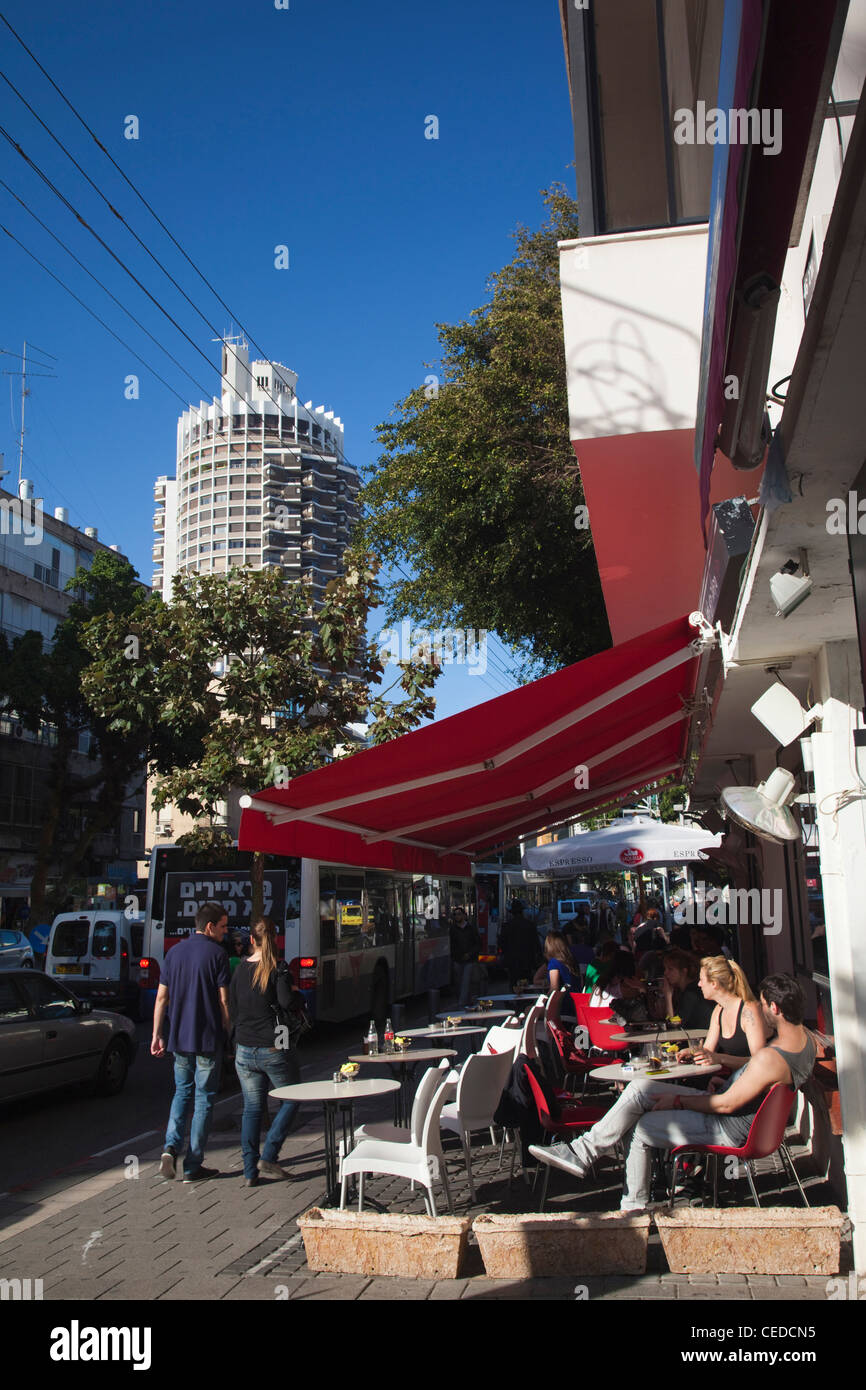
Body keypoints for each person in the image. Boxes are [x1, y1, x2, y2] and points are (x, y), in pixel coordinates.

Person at [529, 973, 817, 1210]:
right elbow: (750, 1087)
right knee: (640, 1087)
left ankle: (633, 1208)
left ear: (775, 1009)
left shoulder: (771, 1058)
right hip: (742, 1117)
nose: (759, 1012)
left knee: (641, 1127)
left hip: (728, 1127)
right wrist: (727, 1081)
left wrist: (679, 1100)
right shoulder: (806, 1044)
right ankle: (583, 1151)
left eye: (763, 1006)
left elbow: (727, 1105)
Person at [152, 900, 231, 1182]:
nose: (225, 932)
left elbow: (162, 997)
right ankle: (193, 1164)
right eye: (222, 926)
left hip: (179, 1038)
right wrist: (228, 1027)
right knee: (204, 1099)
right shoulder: (218, 955)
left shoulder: (173, 953)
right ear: (209, 926)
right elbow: (223, 1000)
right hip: (208, 1037)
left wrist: (156, 1034)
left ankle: (170, 1146)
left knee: (181, 1092)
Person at [230, 916, 302, 1186]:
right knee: (292, 1098)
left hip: (245, 1049)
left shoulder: (239, 970)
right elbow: (286, 1001)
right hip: (275, 1045)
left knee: (252, 1108)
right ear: (274, 938)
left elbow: (235, 1008)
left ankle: (249, 1171)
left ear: (251, 940)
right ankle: (269, 1155)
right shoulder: (278, 968)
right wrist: (297, 994)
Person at [677, 955, 767, 1072]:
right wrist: (692, 1052)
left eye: (701, 980)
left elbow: (760, 1061)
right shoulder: (719, 1010)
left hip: (755, 1081)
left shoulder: (749, 1010)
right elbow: (708, 1050)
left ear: (714, 983)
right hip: (736, 1078)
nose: (699, 984)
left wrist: (721, 1058)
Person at [661, 948, 715, 1029]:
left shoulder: (691, 993)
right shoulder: (686, 991)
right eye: (665, 969)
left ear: (683, 971)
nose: (665, 973)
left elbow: (674, 1023)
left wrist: (668, 996)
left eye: (670, 969)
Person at [498, 899, 542, 988]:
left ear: (512, 913)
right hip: (527, 960)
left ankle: (516, 1000)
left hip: (512, 961)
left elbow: (502, 943)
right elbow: (536, 944)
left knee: (514, 984)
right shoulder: (530, 925)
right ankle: (526, 1000)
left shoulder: (507, 926)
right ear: (522, 911)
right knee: (527, 984)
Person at [450, 906, 481, 1007]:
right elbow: (452, 945)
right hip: (457, 959)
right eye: (455, 914)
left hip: (469, 960)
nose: (457, 916)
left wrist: (470, 954)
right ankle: (466, 1000)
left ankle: (461, 1004)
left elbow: (477, 944)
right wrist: (455, 956)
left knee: (466, 981)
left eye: (459, 914)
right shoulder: (453, 929)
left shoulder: (471, 928)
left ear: (464, 915)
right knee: (458, 982)